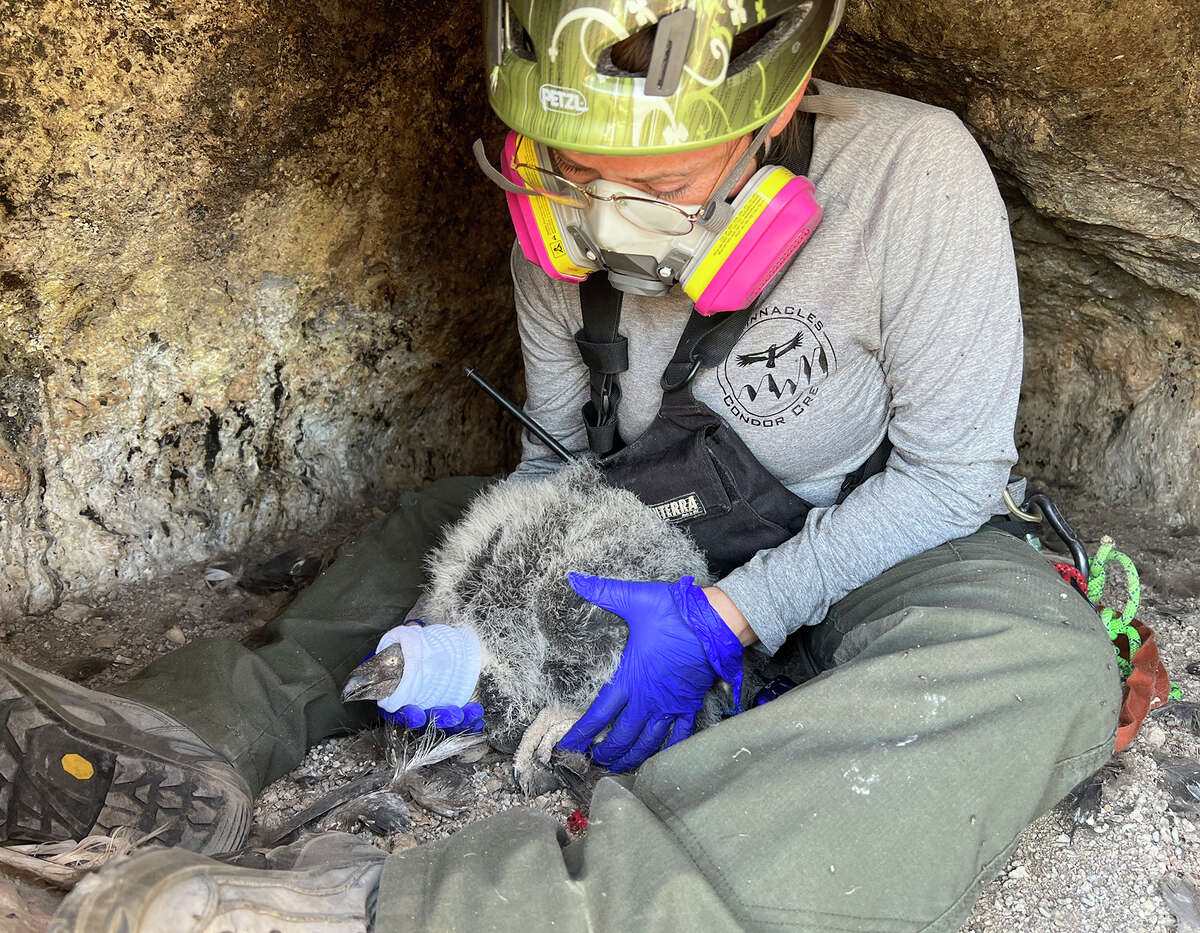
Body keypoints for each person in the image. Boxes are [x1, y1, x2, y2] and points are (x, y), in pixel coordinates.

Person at [4, 2, 1120, 930]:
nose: (605, 220)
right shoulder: (552, 203)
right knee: (437, 522)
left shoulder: (911, 170)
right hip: (637, 525)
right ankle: (146, 755)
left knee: (1037, 663)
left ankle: (422, 912)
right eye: (578, 171)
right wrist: (477, 619)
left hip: (876, 534)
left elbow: (953, 474)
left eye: (666, 183)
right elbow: (554, 459)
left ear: (776, 108)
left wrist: (733, 617)